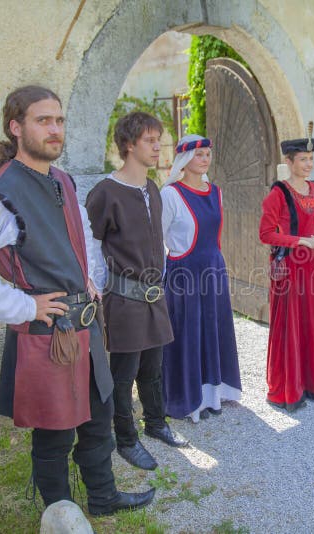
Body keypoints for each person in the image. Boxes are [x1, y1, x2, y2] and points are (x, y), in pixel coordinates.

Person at [0, 86, 154, 516]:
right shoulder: (1, 194)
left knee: (97, 417)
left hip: (85, 325)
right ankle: (60, 515)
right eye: (43, 121)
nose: (55, 130)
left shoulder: (62, 179)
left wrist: (89, 278)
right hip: (50, 333)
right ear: (16, 128)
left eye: (59, 120)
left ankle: (103, 499)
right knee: (56, 431)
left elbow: (80, 238)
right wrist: (23, 307)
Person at [85, 111, 188, 472]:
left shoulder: (152, 189)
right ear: (129, 145)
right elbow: (91, 243)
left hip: (154, 295)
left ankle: (157, 424)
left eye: (158, 138)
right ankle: (126, 440)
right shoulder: (105, 193)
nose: (157, 145)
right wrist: (95, 287)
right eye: (149, 140)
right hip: (123, 298)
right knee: (123, 374)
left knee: (153, 368)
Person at [258, 138, 314, 412]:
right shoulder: (278, 194)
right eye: (303, 160)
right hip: (291, 270)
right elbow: (266, 233)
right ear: (289, 162)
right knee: (293, 326)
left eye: (311, 159)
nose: (308, 165)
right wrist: (301, 241)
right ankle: (290, 387)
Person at [160, 134, 242, 423]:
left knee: (214, 329)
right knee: (188, 333)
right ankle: (189, 397)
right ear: (184, 159)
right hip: (184, 272)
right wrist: (159, 278)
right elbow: (160, 238)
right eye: (199, 154)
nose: (205, 158)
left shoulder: (216, 192)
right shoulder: (170, 194)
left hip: (213, 269)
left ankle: (215, 394)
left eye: (208, 153)